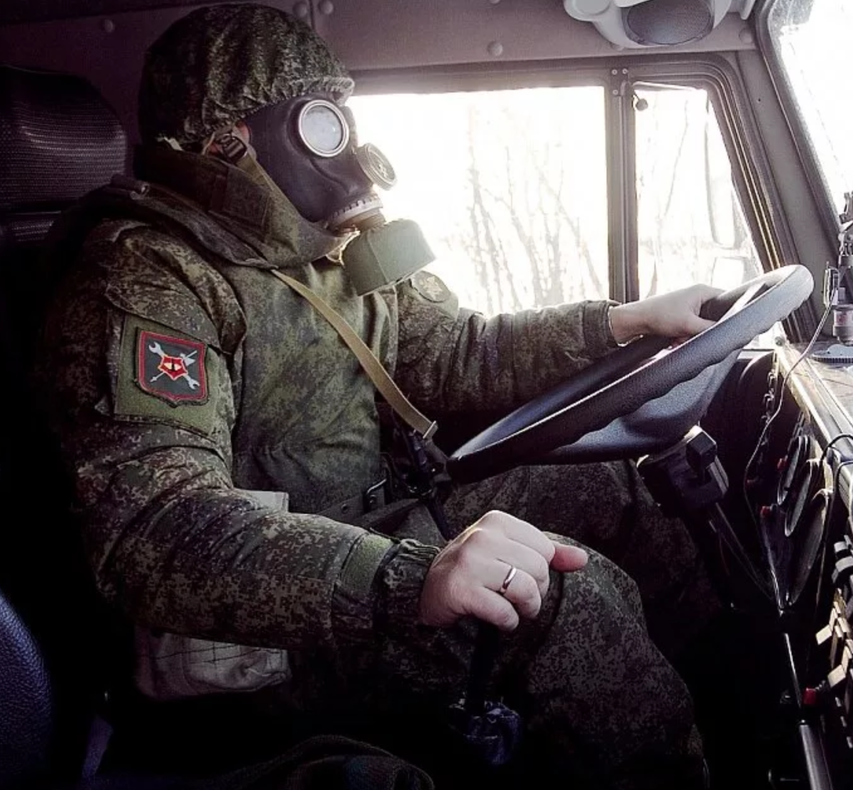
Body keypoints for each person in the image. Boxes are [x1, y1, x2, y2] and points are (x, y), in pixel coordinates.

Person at [36, 4, 723, 788]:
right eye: (319, 124)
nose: (350, 148)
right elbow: (158, 530)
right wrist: (405, 581)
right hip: (254, 636)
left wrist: (623, 322)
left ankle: (731, 704)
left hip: (375, 531)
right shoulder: (147, 277)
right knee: (560, 595)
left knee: (611, 486)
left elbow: (456, 350)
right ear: (228, 139)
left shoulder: (328, 248)